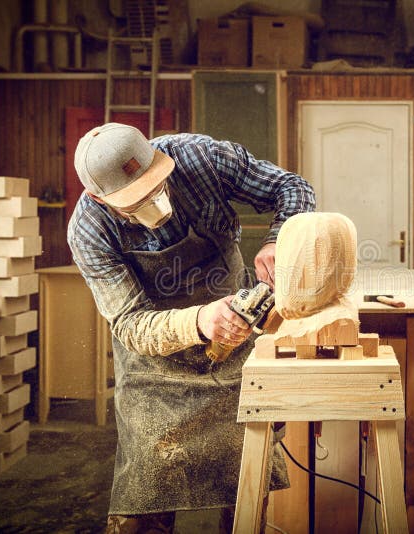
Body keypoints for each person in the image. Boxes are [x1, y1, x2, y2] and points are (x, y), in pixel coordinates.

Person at [67, 122, 316, 533]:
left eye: (156, 185)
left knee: (245, 496)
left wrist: (278, 239)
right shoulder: (89, 231)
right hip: (155, 374)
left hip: (236, 354)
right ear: (99, 197)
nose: (154, 202)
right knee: (143, 505)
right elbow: (130, 323)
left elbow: (293, 188)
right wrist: (200, 321)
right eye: (135, 201)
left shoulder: (203, 159)